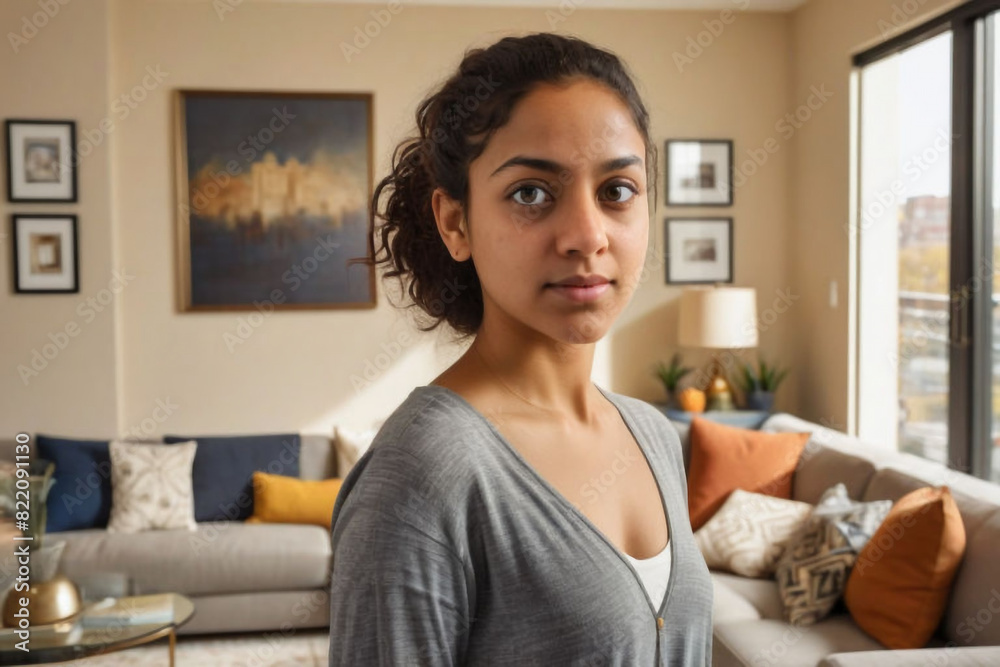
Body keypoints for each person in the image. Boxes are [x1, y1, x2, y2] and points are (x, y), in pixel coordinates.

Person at [328, 32, 713, 666]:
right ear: (456, 223)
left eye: (617, 190)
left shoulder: (653, 435)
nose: (587, 236)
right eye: (531, 192)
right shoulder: (425, 475)